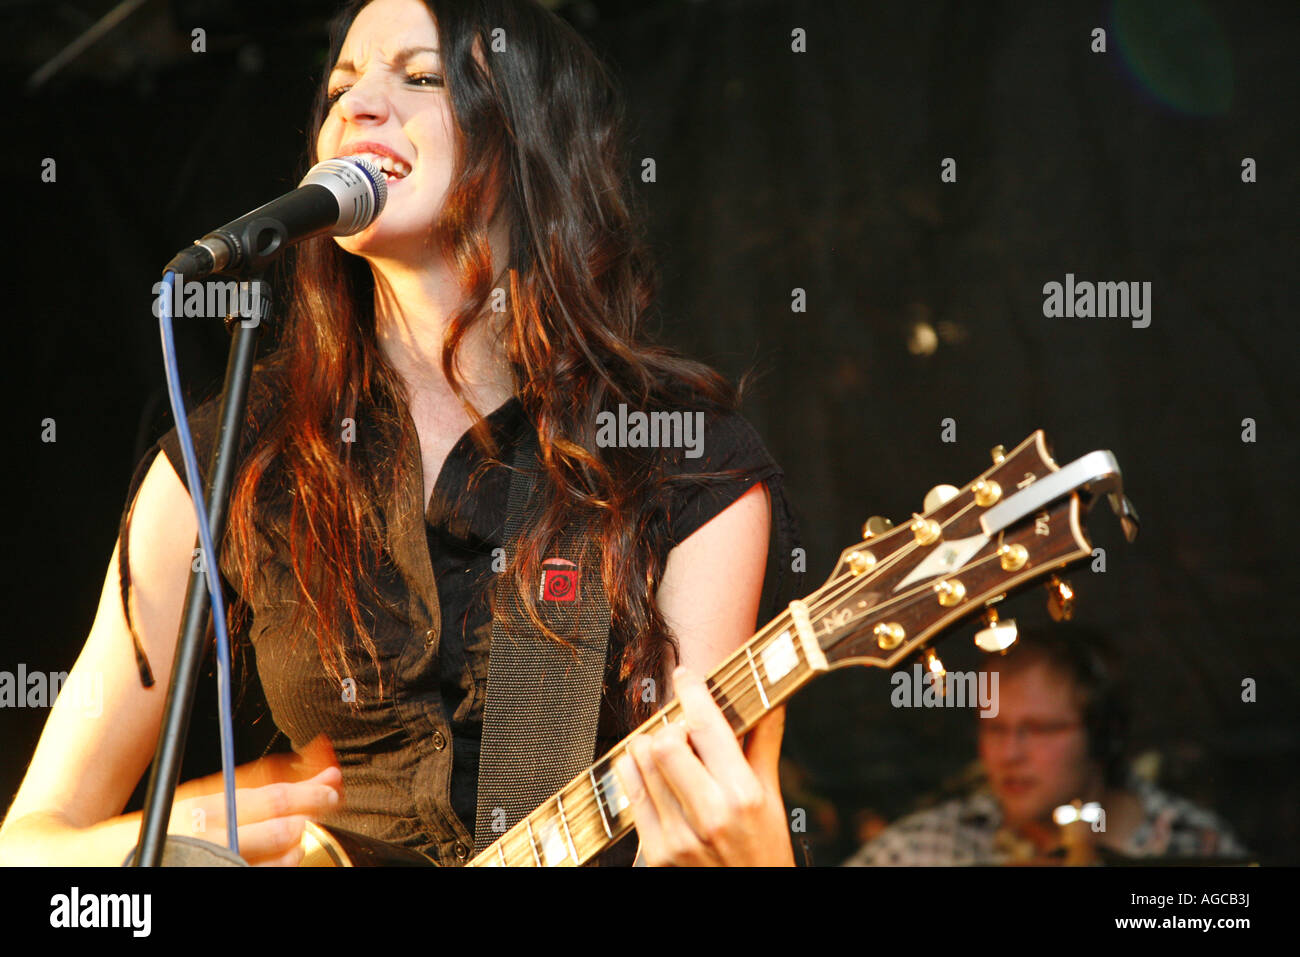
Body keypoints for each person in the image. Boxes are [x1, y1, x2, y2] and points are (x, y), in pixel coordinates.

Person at [0, 0, 800, 867]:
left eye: (421, 77)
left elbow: (702, 808)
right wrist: (173, 837)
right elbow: (28, 842)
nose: (357, 105)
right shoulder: (232, 456)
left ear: (526, 138)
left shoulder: (677, 459)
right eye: (340, 87)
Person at [845, 625, 1249, 866]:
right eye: (995, 729)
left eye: (1038, 729)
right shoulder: (920, 851)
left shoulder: (1196, 843)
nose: (1009, 754)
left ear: (1102, 735)